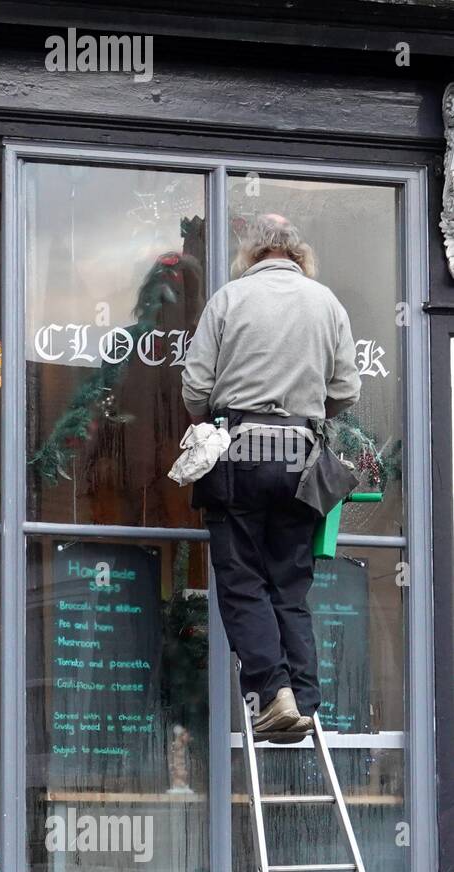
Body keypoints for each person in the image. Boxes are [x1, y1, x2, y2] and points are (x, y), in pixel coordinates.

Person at [181, 213, 360, 741]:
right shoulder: (326, 303)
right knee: (289, 584)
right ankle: (303, 699)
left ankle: (270, 692)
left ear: (250, 255)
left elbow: (195, 389)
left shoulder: (229, 299)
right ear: (298, 255)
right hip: (301, 462)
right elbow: (346, 390)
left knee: (241, 582)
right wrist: (307, 407)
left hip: (238, 457)